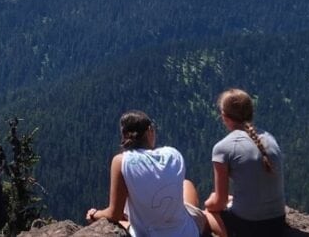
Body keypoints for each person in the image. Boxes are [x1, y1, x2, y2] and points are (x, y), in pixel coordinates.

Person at [85, 110, 214, 237]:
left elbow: (115, 214)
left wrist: (95, 214)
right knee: (186, 184)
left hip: (148, 233)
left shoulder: (121, 161)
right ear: (150, 130)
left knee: (124, 220)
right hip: (188, 232)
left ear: (124, 135)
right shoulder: (173, 154)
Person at [204, 89, 286, 237]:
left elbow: (220, 202)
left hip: (249, 227)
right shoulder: (269, 138)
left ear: (224, 116)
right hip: (278, 223)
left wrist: (208, 203)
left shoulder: (223, 148)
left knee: (205, 214)